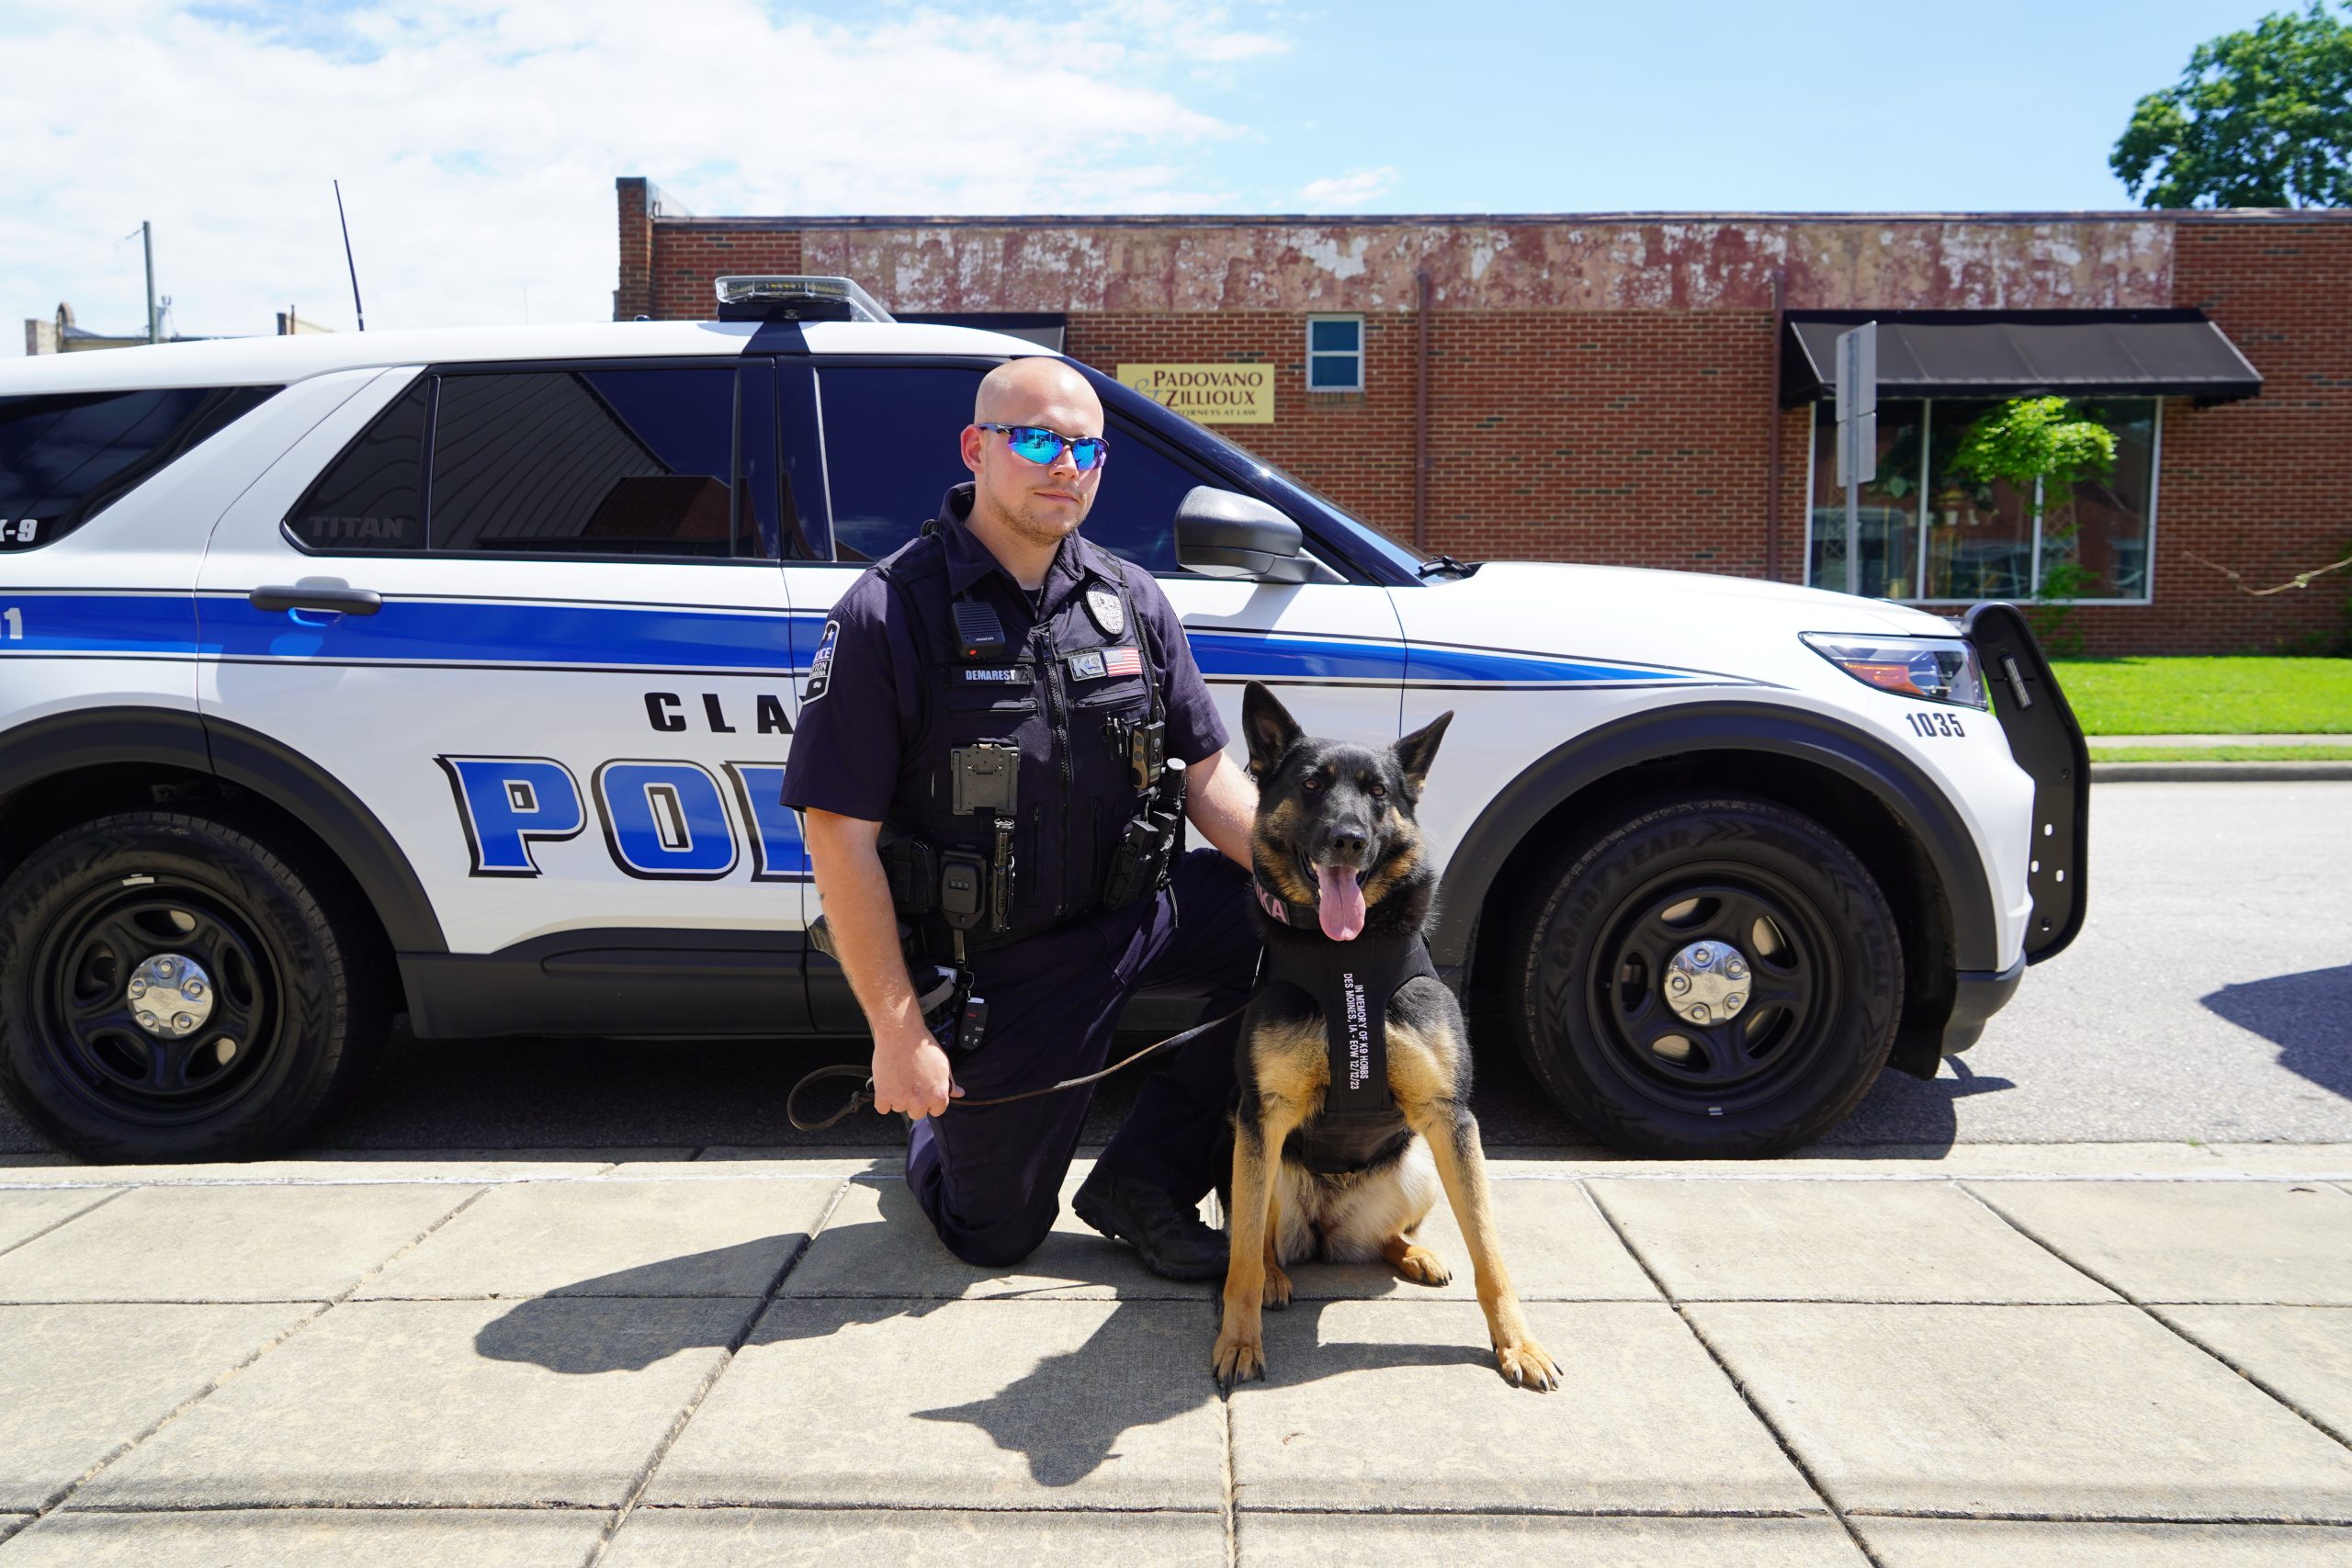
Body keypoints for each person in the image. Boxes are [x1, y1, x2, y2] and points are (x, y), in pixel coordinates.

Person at [781, 356, 1262, 1279]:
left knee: (1292, 935)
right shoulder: (890, 613)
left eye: (1086, 447)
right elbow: (835, 837)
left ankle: (1144, 1183)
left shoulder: (1130, 601)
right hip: (1002, 968)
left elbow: (1207, 777)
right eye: (1036, 439)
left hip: (1136, 917)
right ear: (976, 448)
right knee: (991, 1235)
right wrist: (899, 1036)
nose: (1064, 465)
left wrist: (1317, 886)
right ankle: (938, 1138)